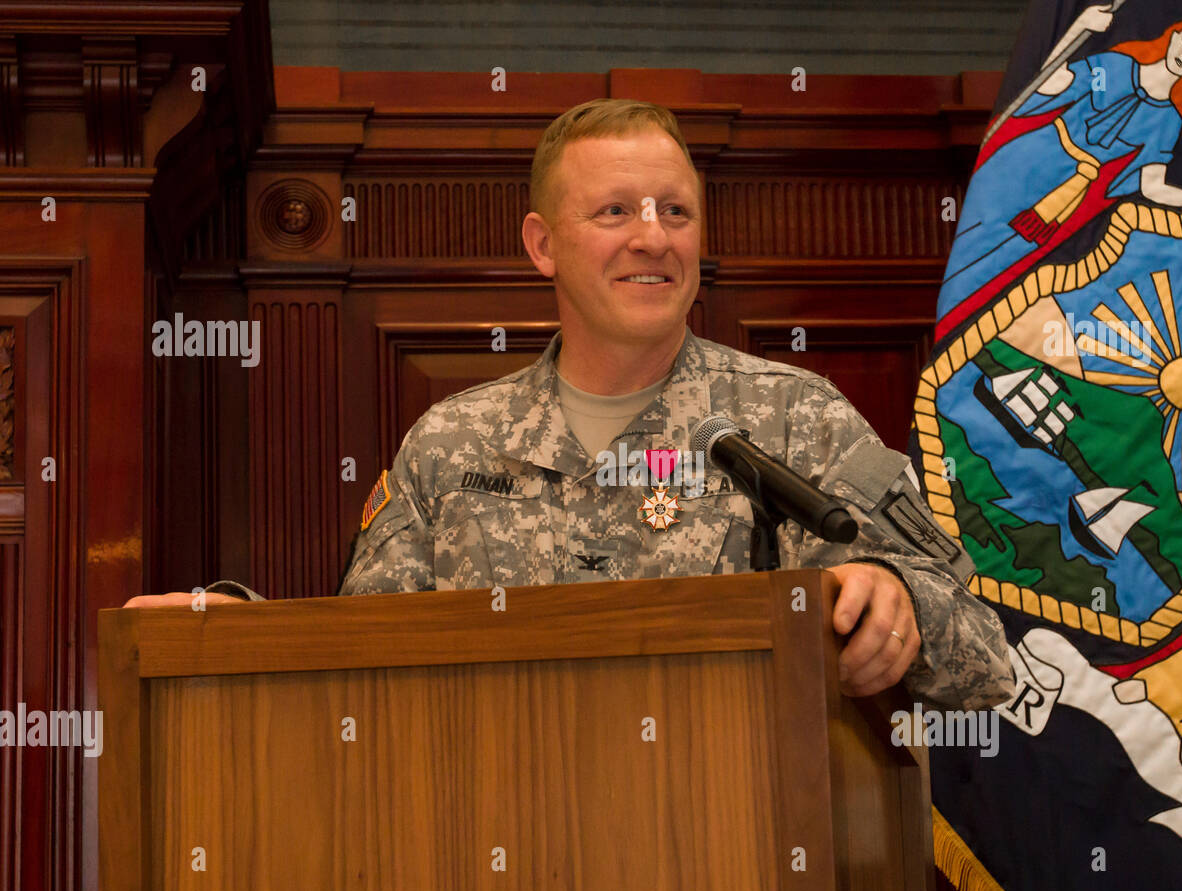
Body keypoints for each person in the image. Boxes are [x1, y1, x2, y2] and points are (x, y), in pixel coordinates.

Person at [127, 98, 1015, 710]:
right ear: (543, 245)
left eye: (677, 211)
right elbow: (366, 653)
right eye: (616, 211)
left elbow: (983, 652)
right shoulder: (452, 442)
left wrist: (898, 601)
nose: (653, 237)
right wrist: (239, 635)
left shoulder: (790, 419)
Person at [937, 9, 1182, 340]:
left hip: (1067, 198)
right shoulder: (1117, 66)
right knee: (979, 237)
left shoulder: (1167, 120)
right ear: (1173, 36)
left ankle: (968, 337)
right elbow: (1054, 85)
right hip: (1029, 160)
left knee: (1006, 264)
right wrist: (1079, 28)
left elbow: (1152, 185)